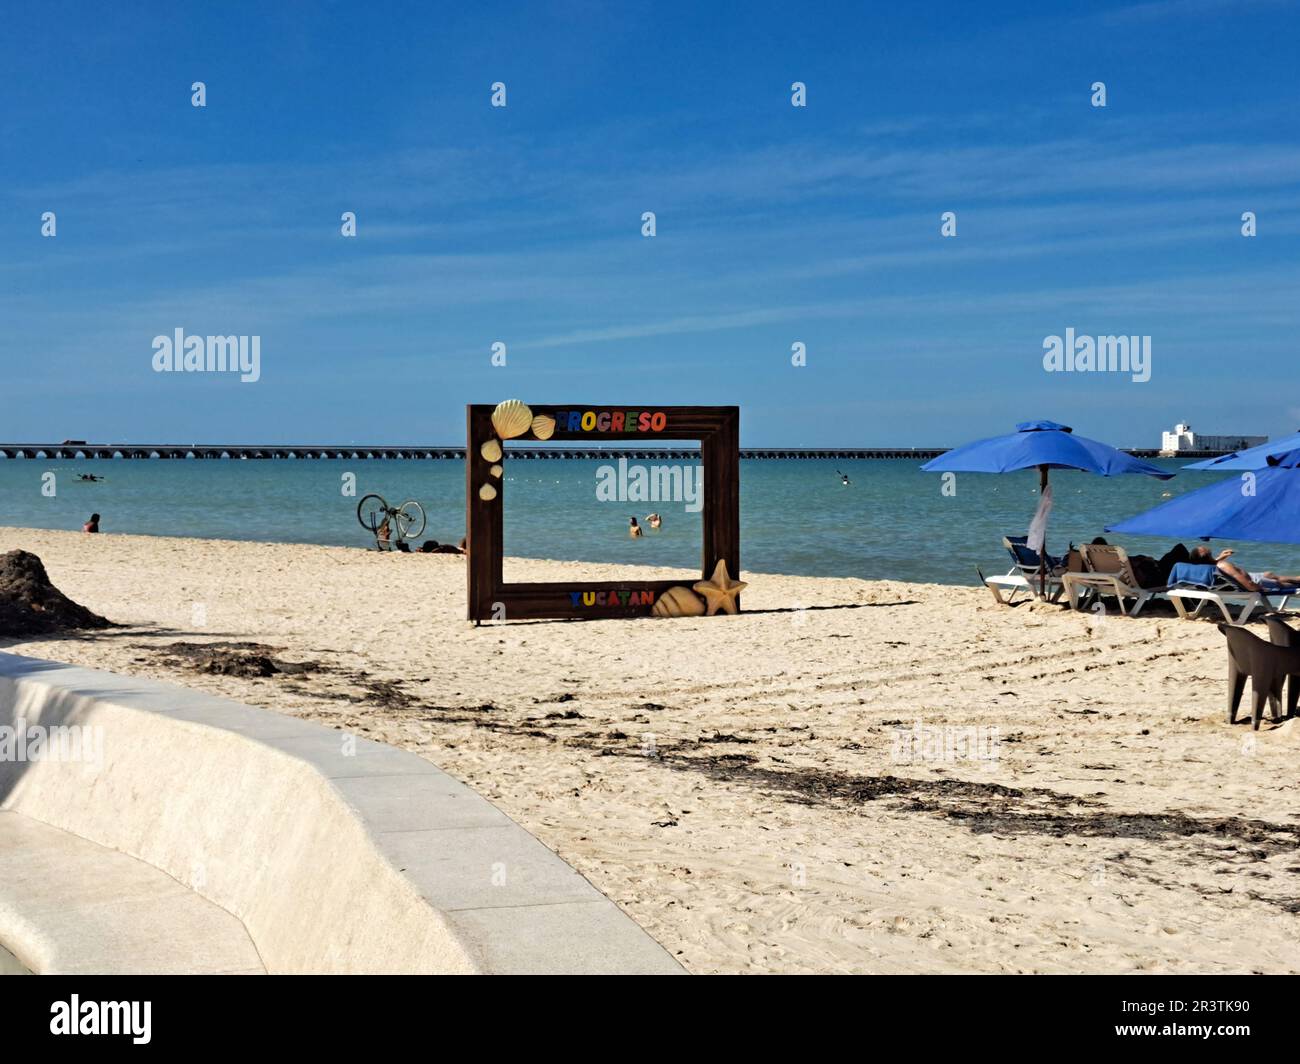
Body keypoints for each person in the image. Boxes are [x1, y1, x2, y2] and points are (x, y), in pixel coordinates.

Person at [1189, 545, 1300, 592]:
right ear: (1205, 555)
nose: (1203, 546)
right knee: (1283, 584)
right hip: (1255, 582)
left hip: (1252, 576)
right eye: (1203, 548)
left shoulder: (1207, 565)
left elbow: (1212, 564)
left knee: (1269, 574)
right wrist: (1259, 589)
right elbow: (1247, 583)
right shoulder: (1223, 565)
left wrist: (1221, 557)